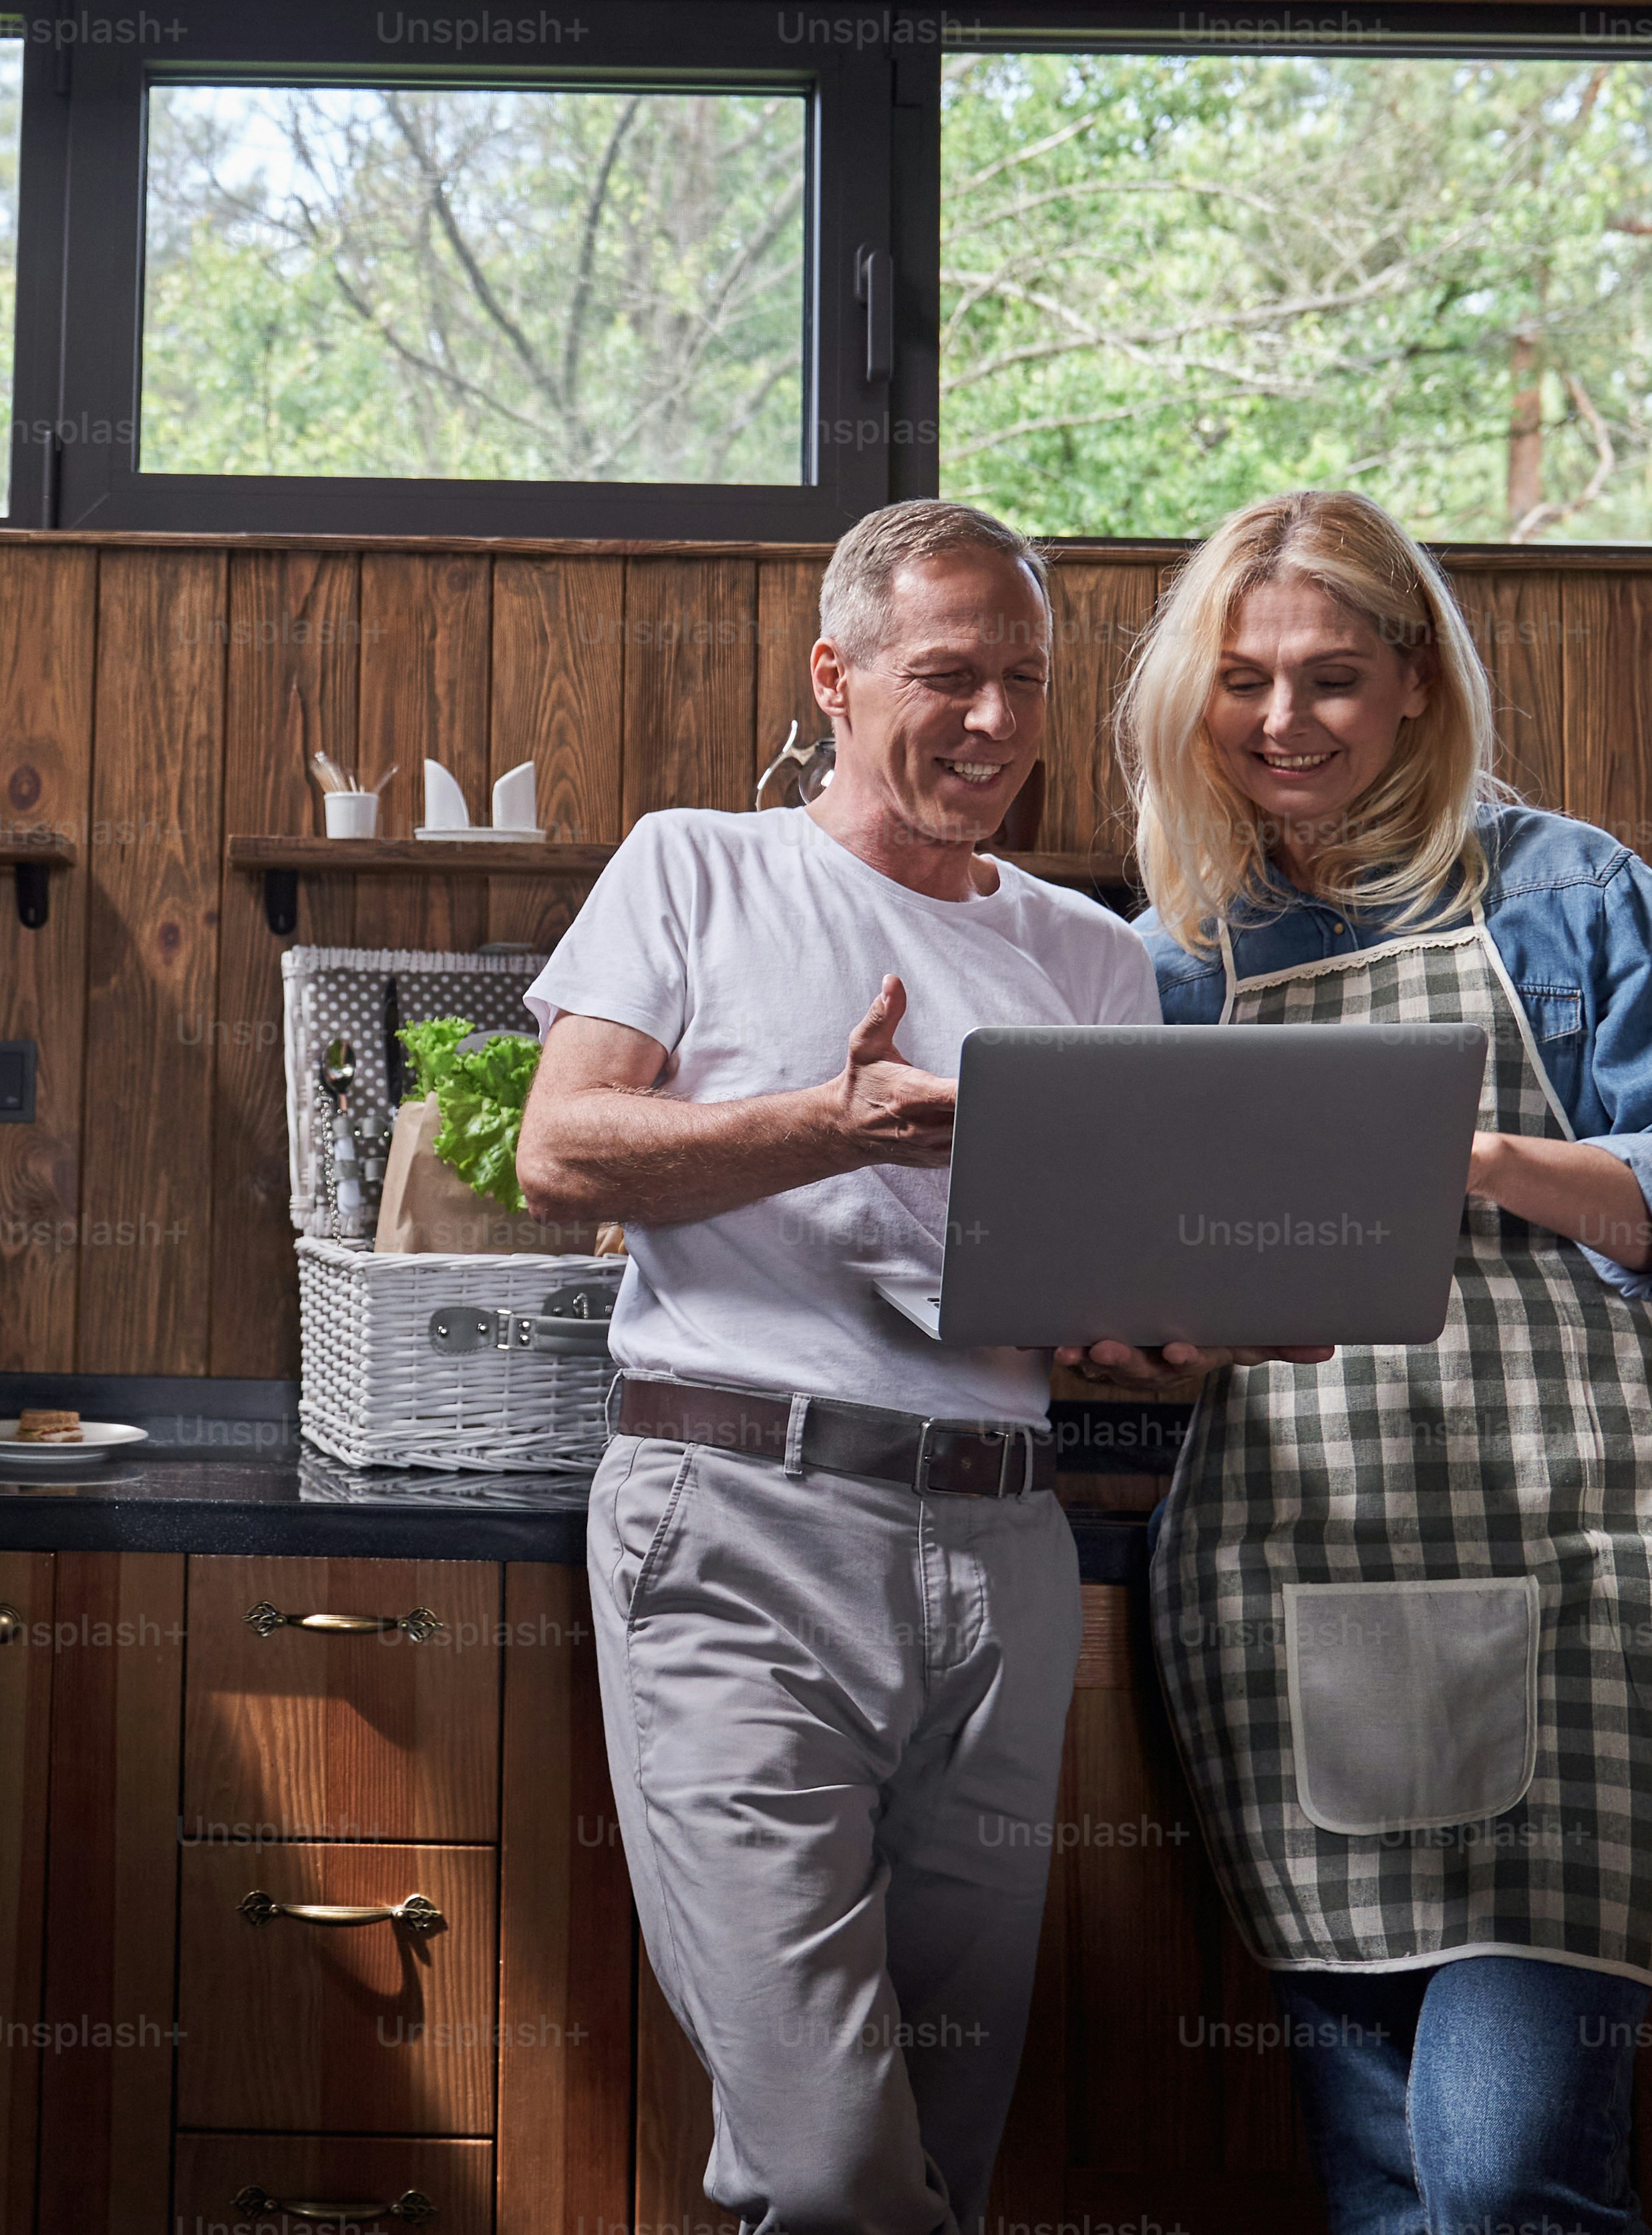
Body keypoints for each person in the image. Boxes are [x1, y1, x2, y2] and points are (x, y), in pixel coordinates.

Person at [518, 500, 1306, 2235]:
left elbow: (1102, 1322)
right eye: (949, 675)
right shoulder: (697, 867)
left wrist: (1207, 1322)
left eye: (1026, 679)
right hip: (735, 1527)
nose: (998, 723)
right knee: (828, 2168)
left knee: (949, 2145)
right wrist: (832, 1121)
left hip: (1001, 1560)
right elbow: (562, 1158)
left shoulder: (1092, 957)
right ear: (837, 674)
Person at [1067, 488, 1652, 2235]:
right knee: (1387, 2181)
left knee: (1502, 2171)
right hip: (1287, 1574)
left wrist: (1491, 1163)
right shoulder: (1177, 955)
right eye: (1240, 680)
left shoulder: (1566, 896)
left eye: (1331, 675)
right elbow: (1157, 1299)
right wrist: (1142, 1337)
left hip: (1580, 1573)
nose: (1282, 719)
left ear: (1414, 681)